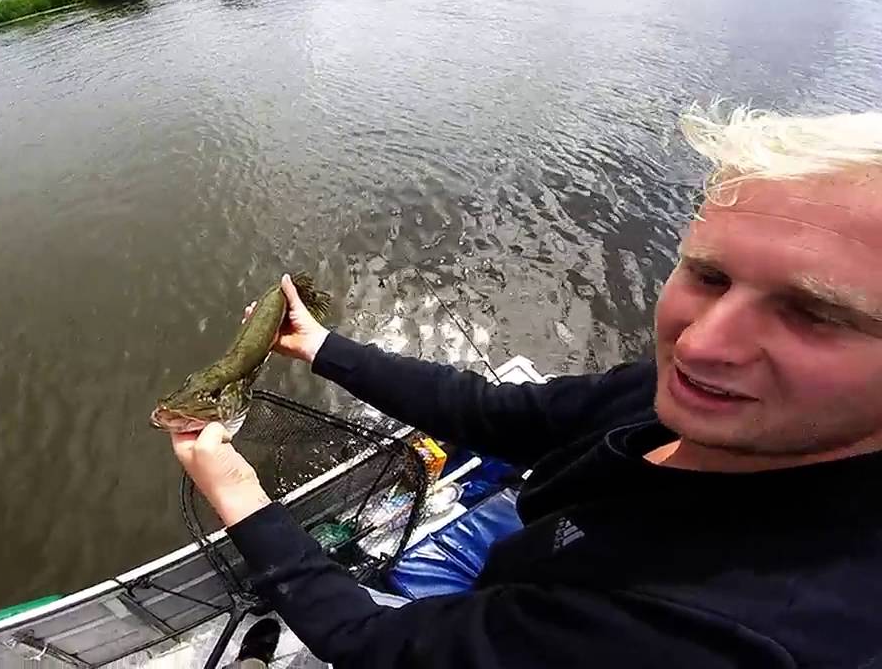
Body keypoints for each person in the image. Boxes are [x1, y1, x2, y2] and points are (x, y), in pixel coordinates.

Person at [171, 106, 882, 668]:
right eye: (709, 275)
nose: (700, 345)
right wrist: (320, 346)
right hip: (534, 563)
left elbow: (375, 646)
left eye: (815, 313)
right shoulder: (691, 397)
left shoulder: (701, 632)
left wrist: (239, 497)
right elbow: (496, 413)